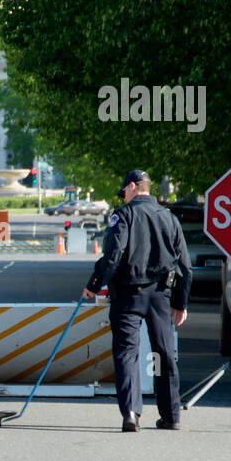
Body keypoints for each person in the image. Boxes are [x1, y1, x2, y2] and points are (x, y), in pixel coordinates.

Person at [82, 169, 191, 432]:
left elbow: (112, 256)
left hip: (128, 296)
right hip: (160, 297)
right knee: (163, 354)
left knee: (127, 354)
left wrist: (94, 285)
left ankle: (131, 413)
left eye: (124, 192)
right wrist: (180, 303)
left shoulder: (125, 215)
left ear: (132, 187)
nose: (123, 197)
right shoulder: (169, 218)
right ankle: (172, 415)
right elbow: (185, 266)